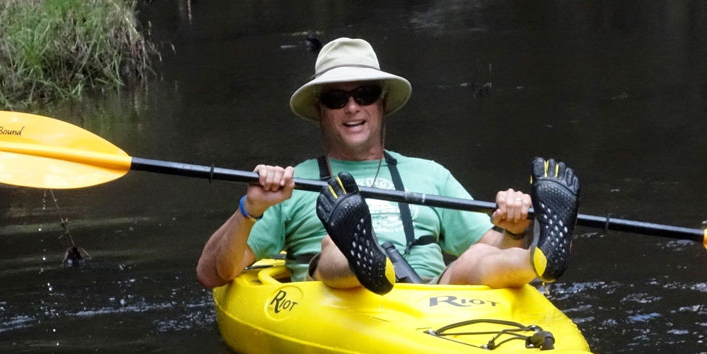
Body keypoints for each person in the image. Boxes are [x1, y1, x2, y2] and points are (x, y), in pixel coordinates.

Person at [195, 37, 580, 294]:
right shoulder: (289, 185)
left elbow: (488, 246)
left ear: (382, 104)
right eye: (336, 99)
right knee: (333, 248)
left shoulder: (431, 174)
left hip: (430, 298)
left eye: (364, 94)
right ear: (320, 110)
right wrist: (250, 210)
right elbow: (212, 274)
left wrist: (514, 229)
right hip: (339, 298)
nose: (352, 107)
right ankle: (367, 260)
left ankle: (538, 259)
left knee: (479, 259)